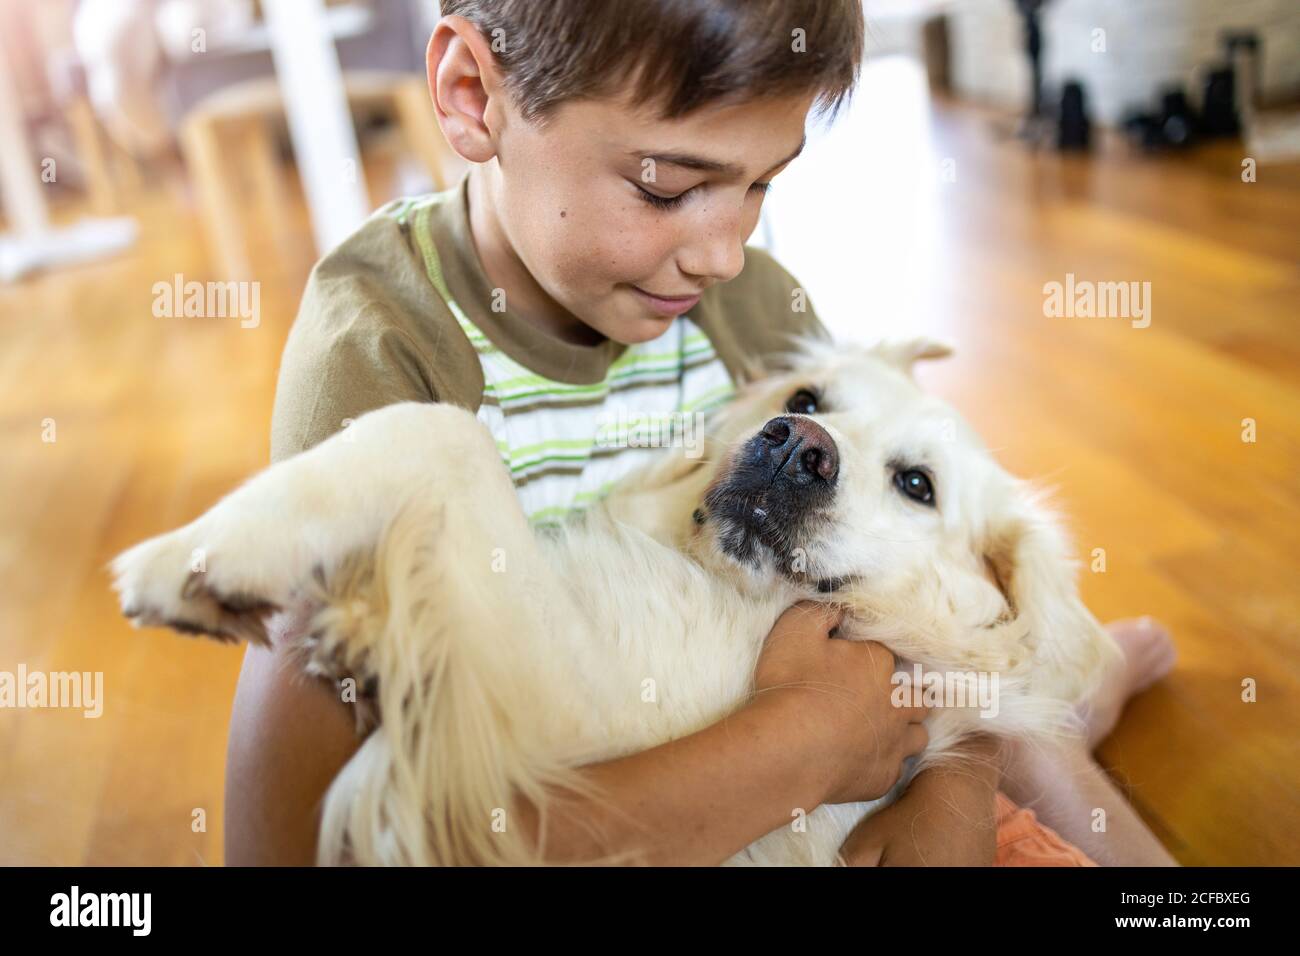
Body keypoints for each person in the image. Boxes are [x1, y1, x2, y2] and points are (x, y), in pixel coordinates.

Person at [224, 0, 1176, 867]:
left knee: (1014, 712)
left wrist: (958, 784)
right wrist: (800, 745)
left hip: (791, 729)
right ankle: (1101, 684)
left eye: (762, 184)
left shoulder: (743, 302)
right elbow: (346, 813)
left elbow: (897, 607)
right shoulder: (382, 347)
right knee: (302, 619)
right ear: (476, 96)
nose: (723, 253)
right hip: (568, 786)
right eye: (669, 188)